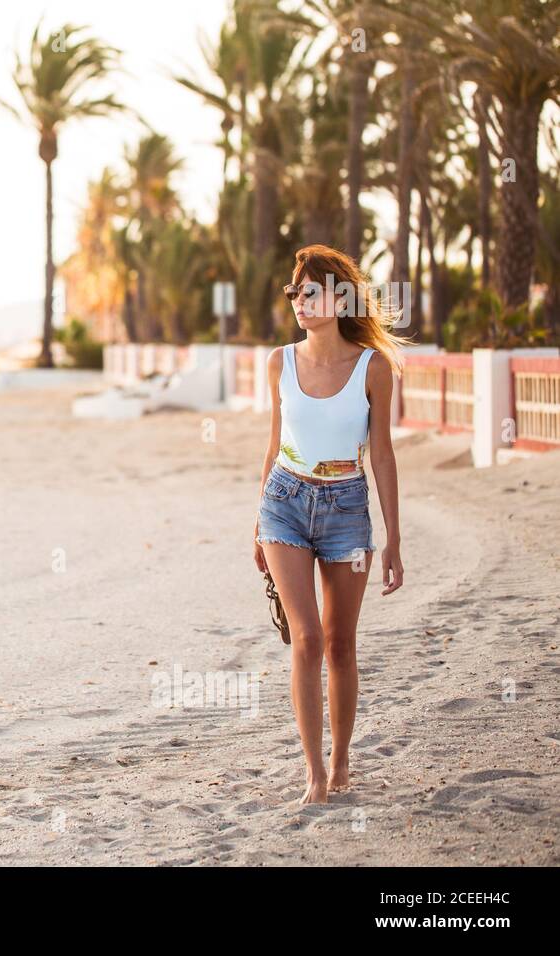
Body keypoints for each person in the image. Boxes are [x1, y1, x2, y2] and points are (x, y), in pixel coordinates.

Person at [253, 244, 407, 805]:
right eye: (295, 291)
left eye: (311, 291)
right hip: (284, 504)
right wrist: (257, 523)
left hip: (347, 507)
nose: (299, 300)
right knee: (307, 638)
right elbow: (274, 445)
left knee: (340, 643)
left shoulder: (373, 368)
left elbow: (382, 455)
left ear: (341, 300)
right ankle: (314, 775)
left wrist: (393, 539)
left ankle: (341, 763)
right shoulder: (279, 362)